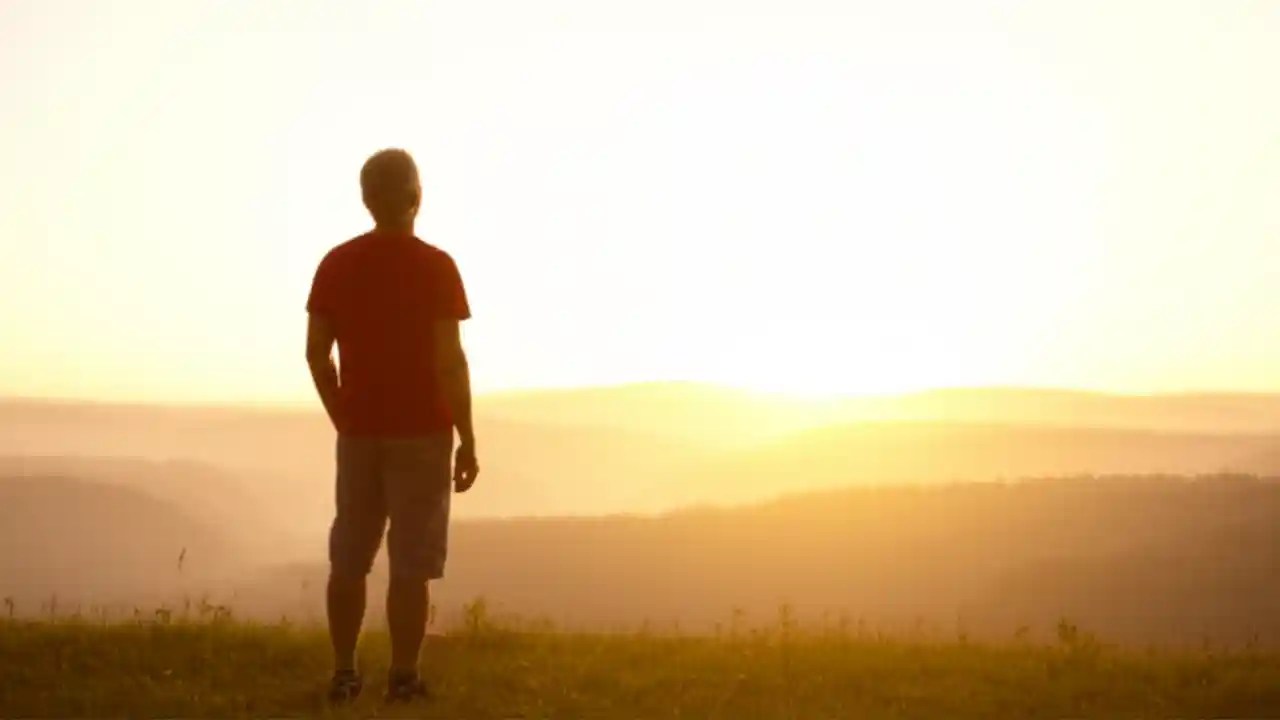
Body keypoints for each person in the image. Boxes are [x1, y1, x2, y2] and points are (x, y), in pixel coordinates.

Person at [305, 148, 479, 703]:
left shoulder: (336, 263)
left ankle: (344, 671)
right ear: (415, 196)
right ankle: (403, 677)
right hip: (424, 433)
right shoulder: (436, 267)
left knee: (349, 557)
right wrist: (468, 438)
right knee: (412, 565)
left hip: (360, 434)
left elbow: (316, 354)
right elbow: (450, 361)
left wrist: (342, 416)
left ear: (365, 198)